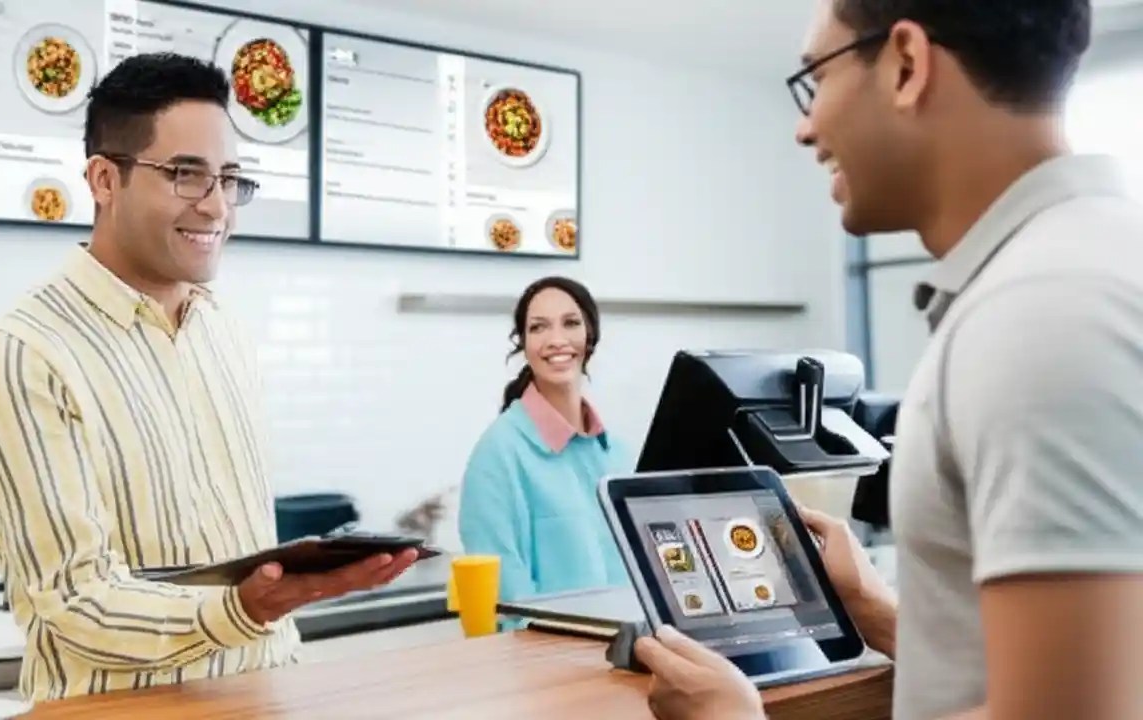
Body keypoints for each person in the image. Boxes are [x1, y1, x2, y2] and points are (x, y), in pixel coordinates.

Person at [634, 1, 1143, 719]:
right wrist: (874, 611)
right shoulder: (1082, 268)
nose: (806, 128)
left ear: (906, 65)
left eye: (816, 78)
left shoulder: (1041, 314)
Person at [0, 53, 416, 704]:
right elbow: (70, 601)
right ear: (103, 179)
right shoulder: (25, 353)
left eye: (229, 179)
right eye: (184, 175)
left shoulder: (221, 330)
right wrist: (243, 608)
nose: (216, 207)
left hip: (266, 696)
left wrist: (285, 589)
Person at [457, 277, 633, 601]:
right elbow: (506, 601)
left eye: (570, 323)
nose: (556, 340)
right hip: (548, 651)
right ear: (523, 343)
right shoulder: (497, 455)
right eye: (538, 327)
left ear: (589, 335)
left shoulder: (620, 455)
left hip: (634, 647)